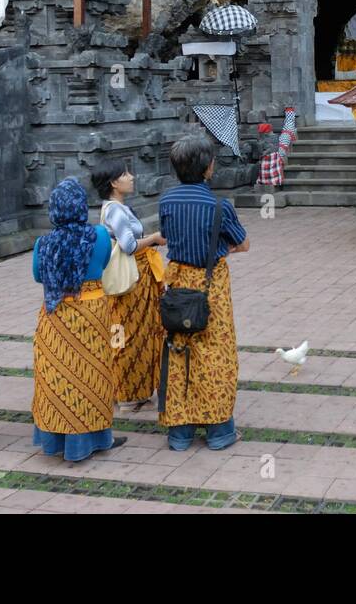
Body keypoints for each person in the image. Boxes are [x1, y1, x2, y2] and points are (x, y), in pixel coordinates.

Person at [157, 134, 249, 451]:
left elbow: (167, 237)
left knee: (179, 349)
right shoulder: (219, 206)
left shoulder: (166, 201)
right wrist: (218, 250)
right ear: (209, 168)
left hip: (178, 285)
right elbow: (244, 243)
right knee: (215, 355)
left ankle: (180, 433)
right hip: (212, 289)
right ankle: (218, 430)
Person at [30, 177, 127, 461]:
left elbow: (38, 276)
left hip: (56, 315)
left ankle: (57, 441)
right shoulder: (98, 235)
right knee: (93, 375)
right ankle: (96, 438)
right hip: (92, 314)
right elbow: (106, 261)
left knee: (58, 378)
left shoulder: (43, 243)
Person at [91, 161, 167, 408]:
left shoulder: (116, 207)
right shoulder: (115, 210)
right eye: (125, 174)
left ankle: (135, 390)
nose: (131, 177)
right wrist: (154, 238)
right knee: (131, 335)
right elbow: (129, 246)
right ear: (114, 183)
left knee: (133, 333)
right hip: (132, 282)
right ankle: (127, 393)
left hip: (135, 278)